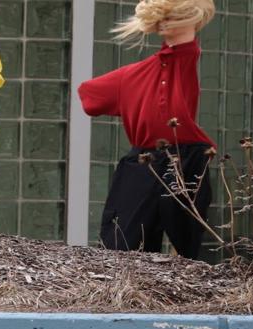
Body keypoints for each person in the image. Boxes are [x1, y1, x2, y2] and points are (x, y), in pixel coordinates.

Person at [77, 0, 218, 258]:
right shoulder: (130, 76)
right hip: (143, 162)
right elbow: (89, 94)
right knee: (122, 246)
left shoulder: (182, 61)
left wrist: (179, 14)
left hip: (185, 158)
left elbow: (184, 43)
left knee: (190, 247)